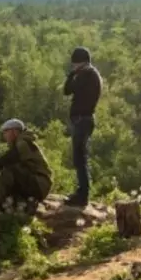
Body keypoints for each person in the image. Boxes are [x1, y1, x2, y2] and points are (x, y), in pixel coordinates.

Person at [0, 119, 53, 215]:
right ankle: (24, 202)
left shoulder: (23, 143)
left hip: (39, 184)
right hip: (37, 184)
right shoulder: (22, 143)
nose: (4, 135)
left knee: (9, 170)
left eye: (6, 131)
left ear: (14, 131)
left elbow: (5, 160)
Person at [62, 46, 102, 208]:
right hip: (83, 120)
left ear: (80, 63)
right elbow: (67, 91)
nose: (73, 67)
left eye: (74, 65)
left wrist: (72, 75)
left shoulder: (89, 75)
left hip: (82, 120)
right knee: (79, 158)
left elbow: (69, 89)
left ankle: (82, 195)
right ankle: (81, 192)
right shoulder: (88, 74)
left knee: (80, 158)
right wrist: (73, 75)